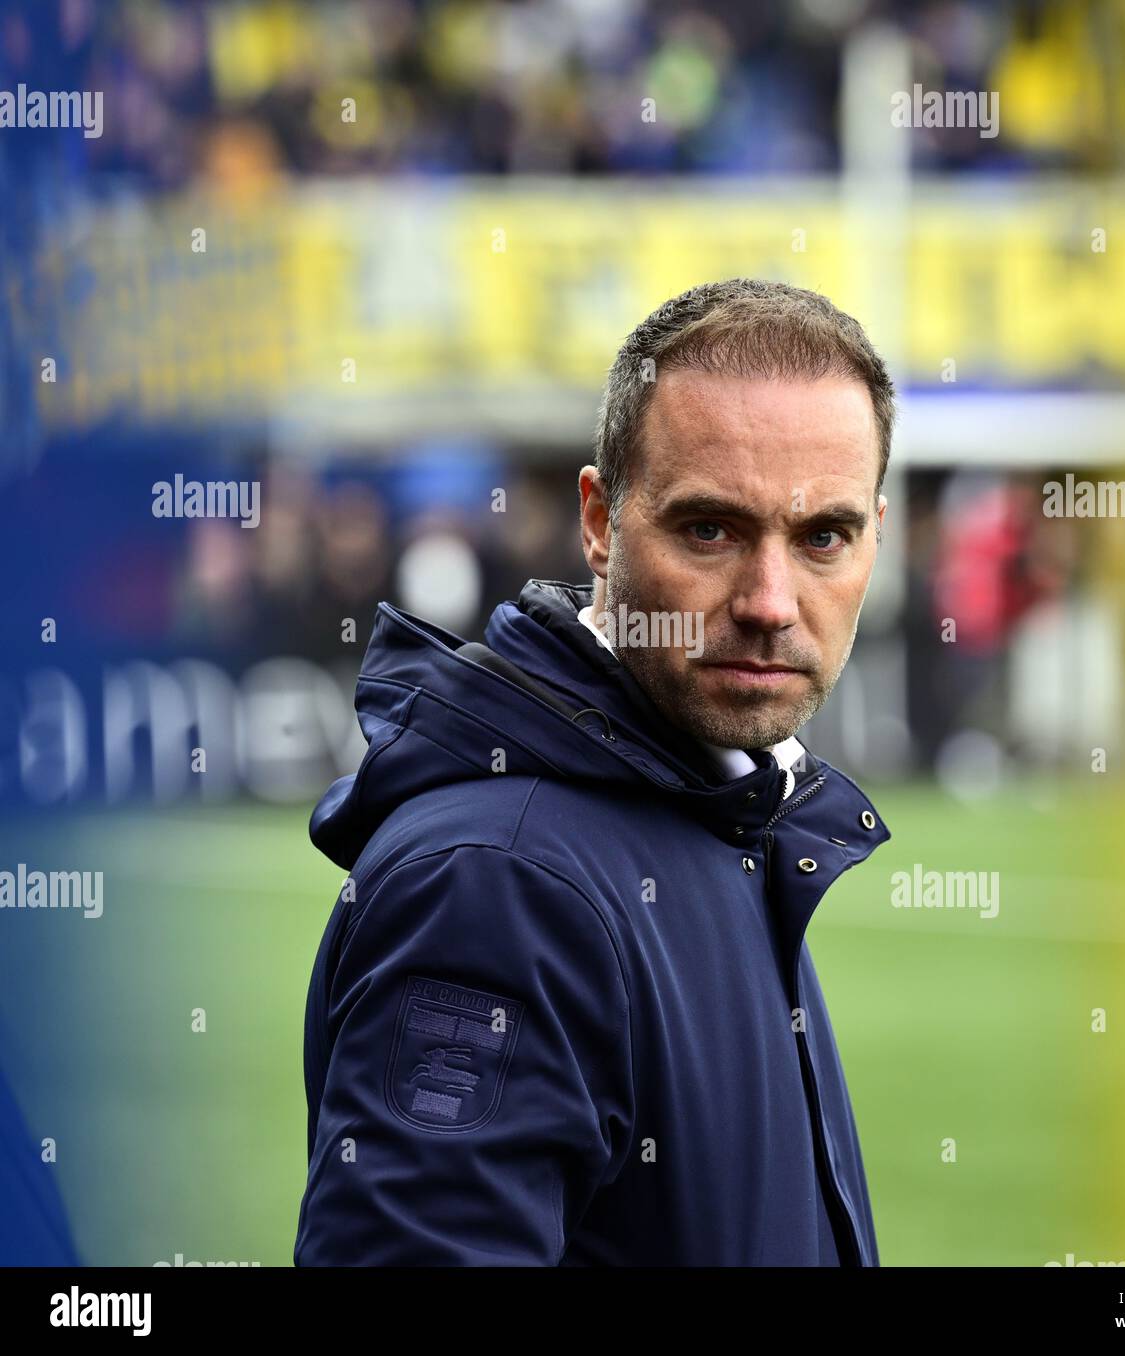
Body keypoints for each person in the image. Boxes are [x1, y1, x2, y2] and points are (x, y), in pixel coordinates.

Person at [294, 278, 896, 1266]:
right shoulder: (496, 881)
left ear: (874, 532)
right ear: (601, 522)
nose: (770, 601)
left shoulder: (723, 806)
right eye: (709, 530)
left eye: (822, 537)